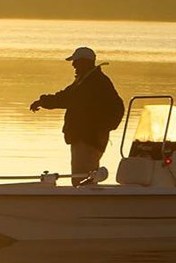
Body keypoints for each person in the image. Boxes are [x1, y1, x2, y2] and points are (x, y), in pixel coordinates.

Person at [28, 47, 124, 183]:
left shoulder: (93, 82)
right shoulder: (86, 80)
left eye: (76, 62)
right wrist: (42, 101)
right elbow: (66, 96)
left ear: (85, 62)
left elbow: (67, 99)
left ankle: (86, 202)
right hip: (87, 137)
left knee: (82, 178)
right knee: (84, 176)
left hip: (88, 138)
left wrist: (42, 102)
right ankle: (88, 200)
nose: (73, 65)